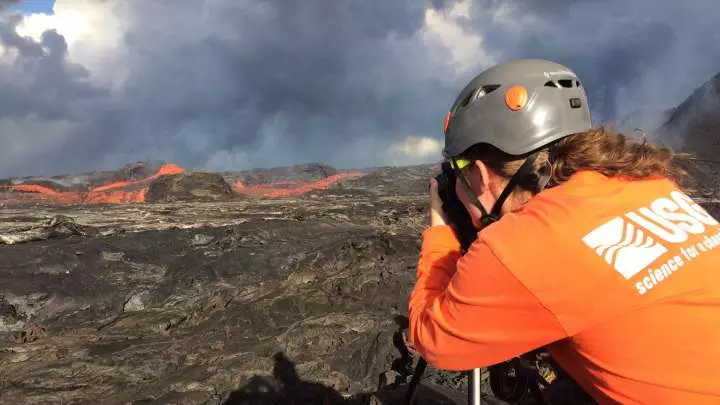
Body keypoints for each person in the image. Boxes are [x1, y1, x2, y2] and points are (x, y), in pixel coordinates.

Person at [407, 58, 720, 404]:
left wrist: (441, 231)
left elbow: (433, 339)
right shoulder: (651, 184)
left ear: (479, 174)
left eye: (459, 169)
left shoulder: (523, 244)